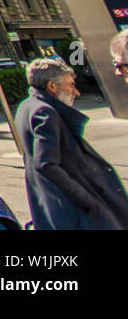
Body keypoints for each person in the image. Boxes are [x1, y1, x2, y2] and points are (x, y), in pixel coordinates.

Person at [15, 57, 128, 229]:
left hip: (56, 205)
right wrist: (87, 199)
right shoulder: (45, 112)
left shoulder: (27, 106)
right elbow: (45, 164)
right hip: (72, 210)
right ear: (52, 86)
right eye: (71, 85)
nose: (76, 92)